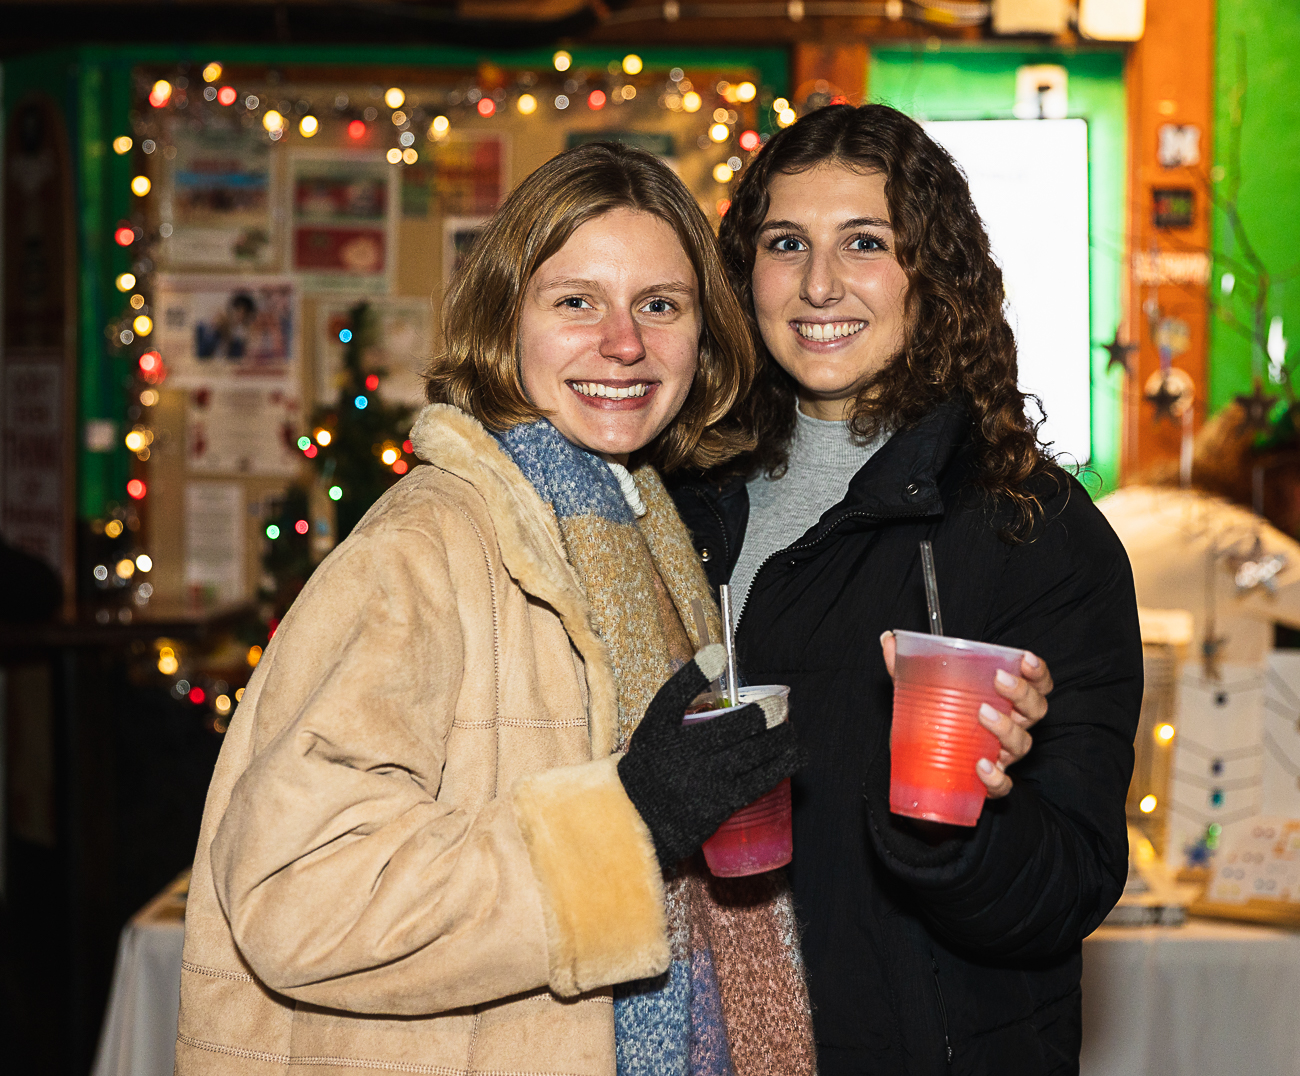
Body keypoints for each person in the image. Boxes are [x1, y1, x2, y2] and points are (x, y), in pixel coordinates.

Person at [176, 142, 812, 1076]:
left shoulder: (643, 527)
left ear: (703, 336)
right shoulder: (424, 549)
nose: (625, 343)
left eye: (660, 305)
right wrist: (629, 823)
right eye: (575, 301)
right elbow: (292, 894)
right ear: (505, 318)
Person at [669, 104, 1143, 1075]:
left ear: (931, 275)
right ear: (741, 273)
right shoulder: (679, 499)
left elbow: (1072, 884)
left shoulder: (1028, 527)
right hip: (689, 1041)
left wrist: (961, 821)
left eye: (866, 243)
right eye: (785, 242)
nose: (818, 283)